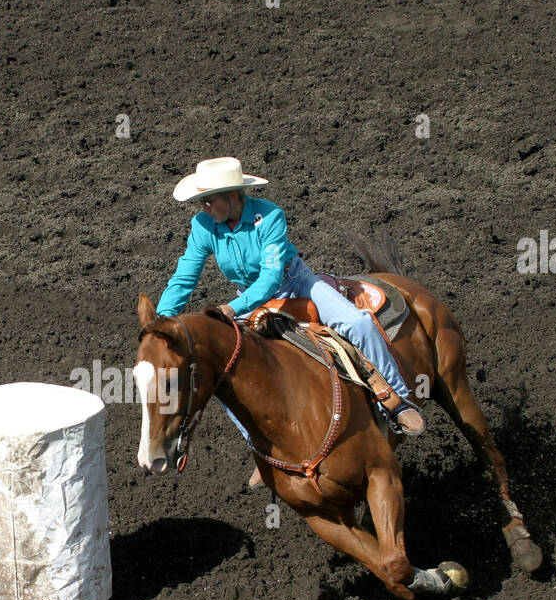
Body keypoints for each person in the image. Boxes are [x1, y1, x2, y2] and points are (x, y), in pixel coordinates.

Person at [155, 157, 424, 486]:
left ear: (234, 196)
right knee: (220, 368)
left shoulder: (268, 216)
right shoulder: (203, 225)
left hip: (296, 284)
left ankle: (397, 402)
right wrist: (161, 323)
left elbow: (270, 279)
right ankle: (260, 445)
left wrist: (233, 307)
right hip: (248, 296)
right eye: (202, 200)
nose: (205, 206)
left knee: (358, 325)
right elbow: (185, 277)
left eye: (210, 199)